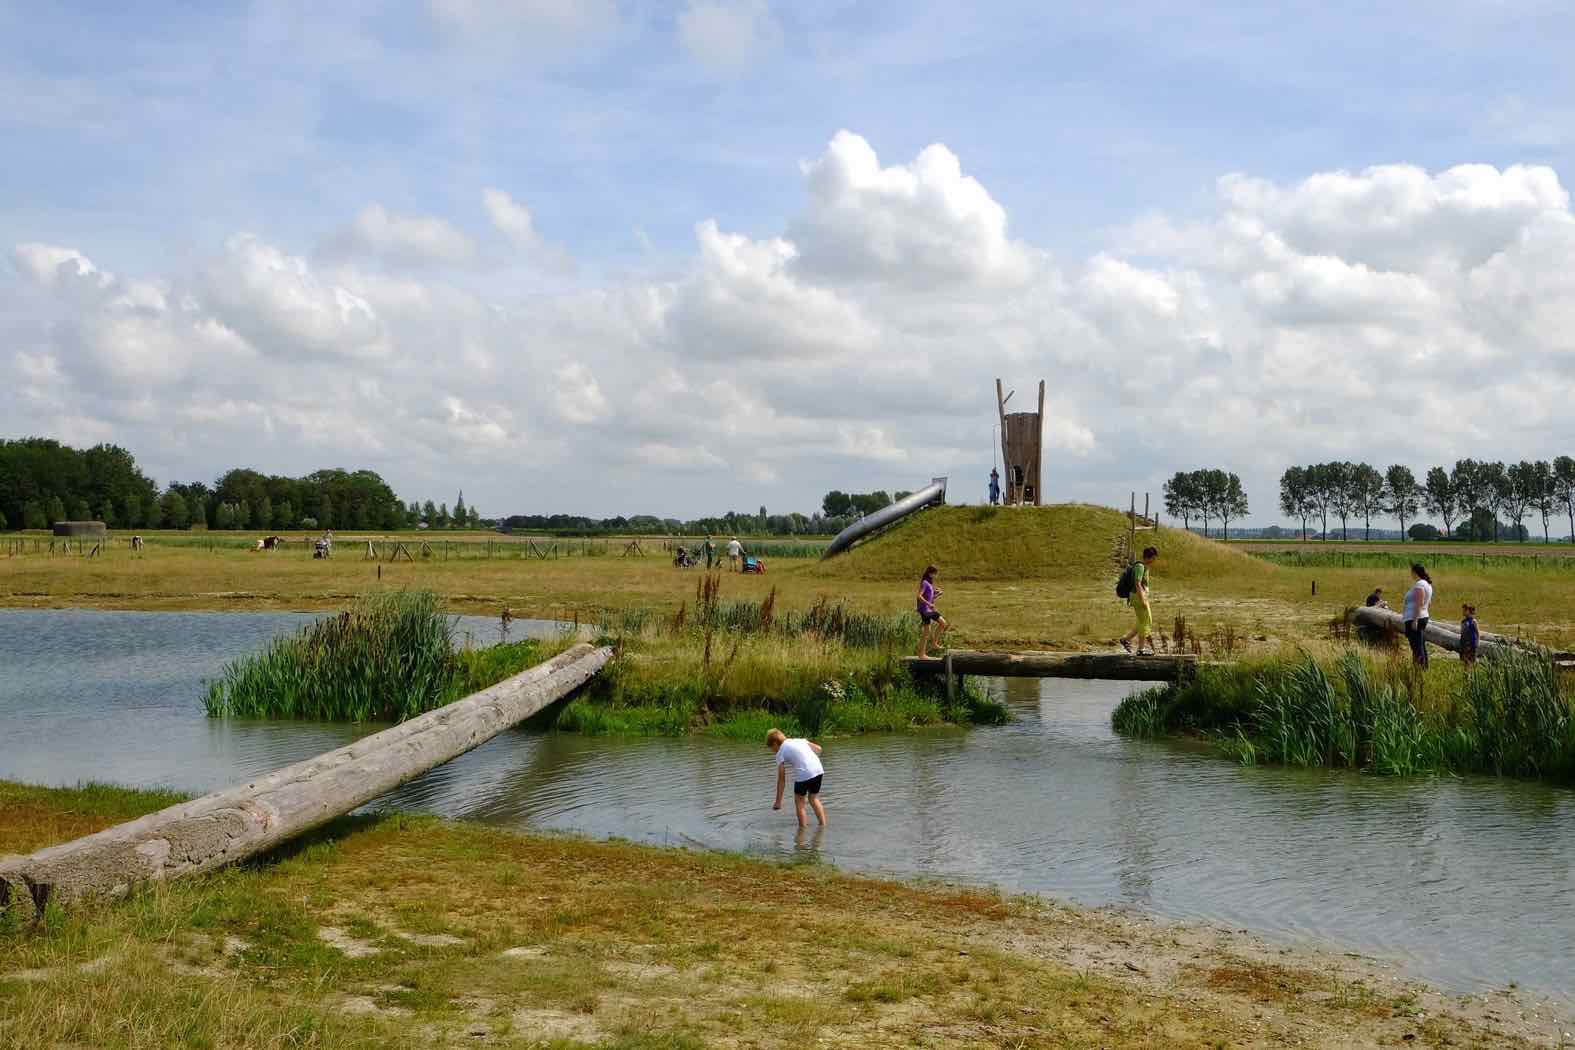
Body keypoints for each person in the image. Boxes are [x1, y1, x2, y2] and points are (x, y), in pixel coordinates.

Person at [767, 728, 826, 829]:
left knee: (799, 803)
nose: (773, 750)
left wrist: (778, 801)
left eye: (771, 747)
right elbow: (819, 749)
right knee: (813, 799)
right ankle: (823, 826)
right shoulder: (799, 740)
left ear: (775, 743)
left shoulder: (780, 752)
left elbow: (781, 779)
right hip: (818, 770)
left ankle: (802, 833)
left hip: (804, 774)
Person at [1119, 546, 1158, 656]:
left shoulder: (1143, 566)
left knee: (1142, 621)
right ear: (1149, 557)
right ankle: (1141, 649)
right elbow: (1137, 583)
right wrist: (1143, 600)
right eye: (1153, 558)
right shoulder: (1140, 567)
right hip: (1138, 597)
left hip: (1138, 596)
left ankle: (1125, 639)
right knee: (1146, 621)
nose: (1154, 560)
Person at [1402, 562, 1434, 668]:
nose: (1410, 574)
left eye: (1411, 572)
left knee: (1416, 646)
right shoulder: (1427, 585)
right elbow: (1428, 603)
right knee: (1420, 644)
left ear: (1415, 572)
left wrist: (1415, 620)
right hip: (1422, 616)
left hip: (1414, 618)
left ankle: (1418, 669)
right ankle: (1424, 667)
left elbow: (1419, 603)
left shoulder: (1420, 584)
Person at [916, 564, 947, 658]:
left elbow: (930, 599)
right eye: (935, 574)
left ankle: (934, 643)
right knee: (927, 631)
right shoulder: (925, 583)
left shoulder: (929, 584)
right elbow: (919, 596)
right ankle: (921, 654)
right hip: (924, 610)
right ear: (930, 573)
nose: (936, 575)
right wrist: (929, 604)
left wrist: (937, 594)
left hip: (928, 609)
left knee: (943, 623)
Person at [1459, 603, 1480, 669]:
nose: (1463, 612)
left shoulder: (1474, 621)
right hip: (1464, 644)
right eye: (1463, 610)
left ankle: (1471, 675)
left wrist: (1478, 642)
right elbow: (1462, 633)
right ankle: (1467, 675)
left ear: (1469, 611)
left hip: (1472, 644)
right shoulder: (1463, 621)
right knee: (1465, 661)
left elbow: (1478, 632)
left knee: (1471, 661)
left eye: (1465, 610)